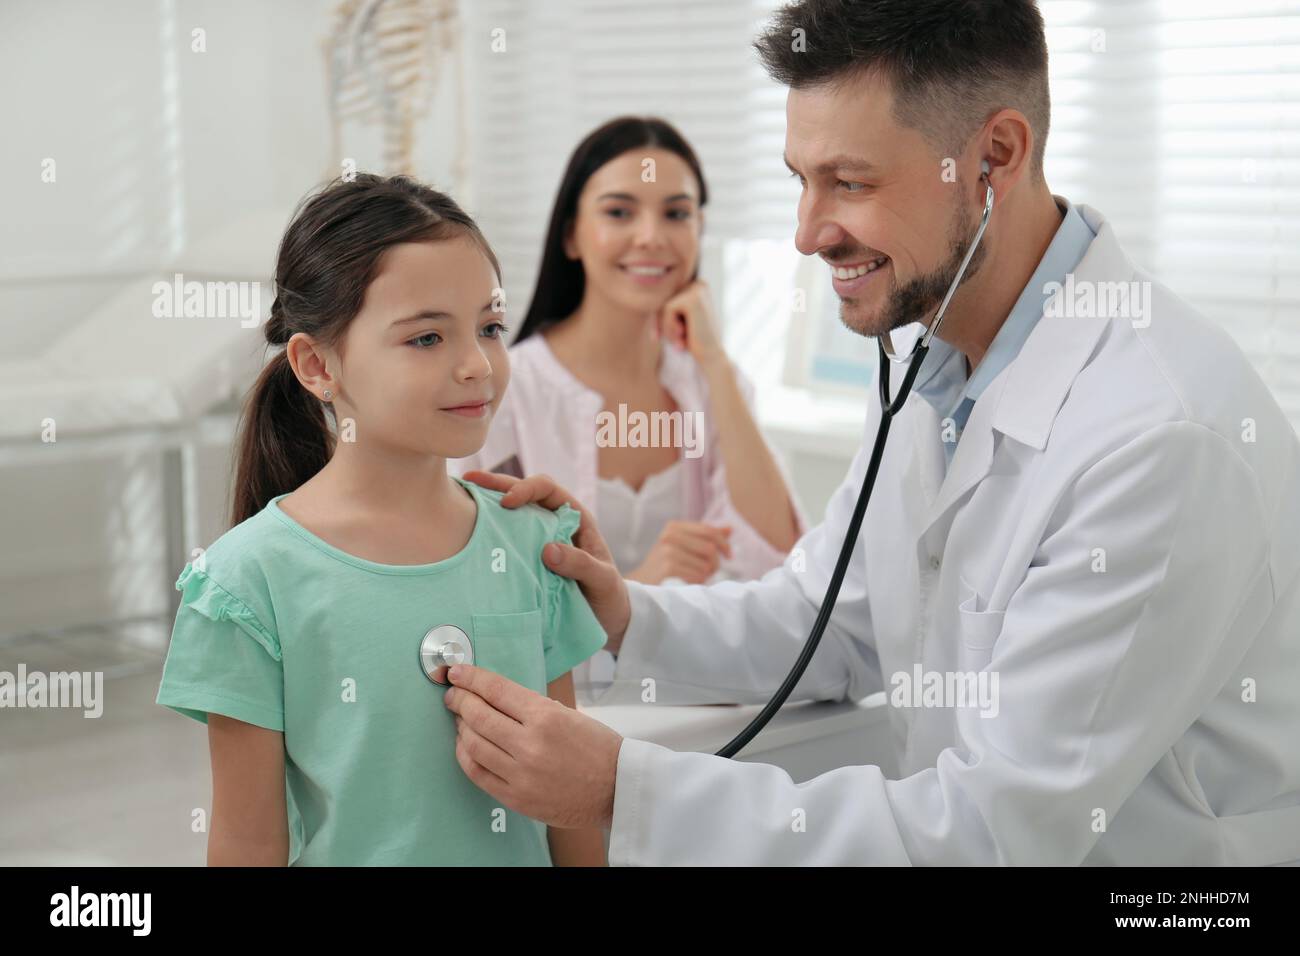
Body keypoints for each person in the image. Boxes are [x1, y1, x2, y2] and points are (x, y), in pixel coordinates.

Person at [445, 0, 1300, 865]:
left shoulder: (1157, 440)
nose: (808, 232)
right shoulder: (930, 360)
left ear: (993, 159)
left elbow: (991, 833)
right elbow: (831, 622)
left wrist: (619, 788)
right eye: (800, 178)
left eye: (850, 183)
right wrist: (623, 614)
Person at [155, 174, 608, 866]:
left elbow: (572, 809)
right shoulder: (245, 586)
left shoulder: (532, 545)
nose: (475, 366)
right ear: (316, 366)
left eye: (489, 327)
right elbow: (248, 841)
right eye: (426, 338)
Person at [449, 116, 806, 702]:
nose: (651, 237)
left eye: (676, 213)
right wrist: (634, 591)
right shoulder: (505, 389)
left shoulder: (710, 382)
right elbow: (487, 605)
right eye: (619, 212)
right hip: (557, 711)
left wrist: (714, 361)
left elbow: (777, 560)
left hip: (695, 704)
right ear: (571, 235)